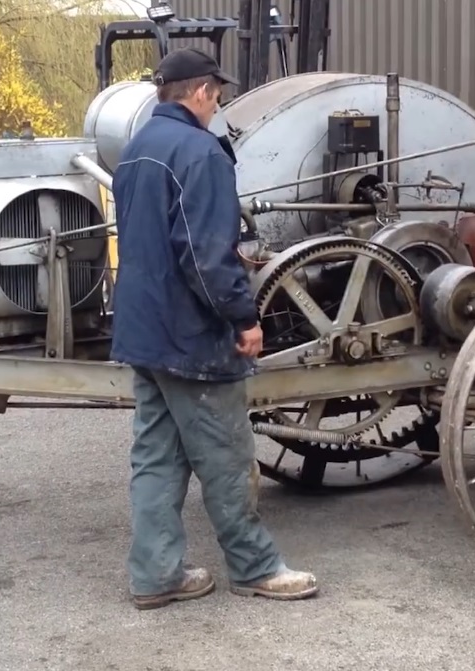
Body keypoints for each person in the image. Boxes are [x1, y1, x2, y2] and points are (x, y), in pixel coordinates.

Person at [109, 47, 319, 609]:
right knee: (226, 455)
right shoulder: (200, 153)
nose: (218, 103)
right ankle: (255, 567)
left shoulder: (135, 152)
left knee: (157, 457)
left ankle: (156, 575)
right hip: (190, 335)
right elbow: (206, 256)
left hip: (145, 332)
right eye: (217, 94)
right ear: (201, 92)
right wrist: (243, 317)